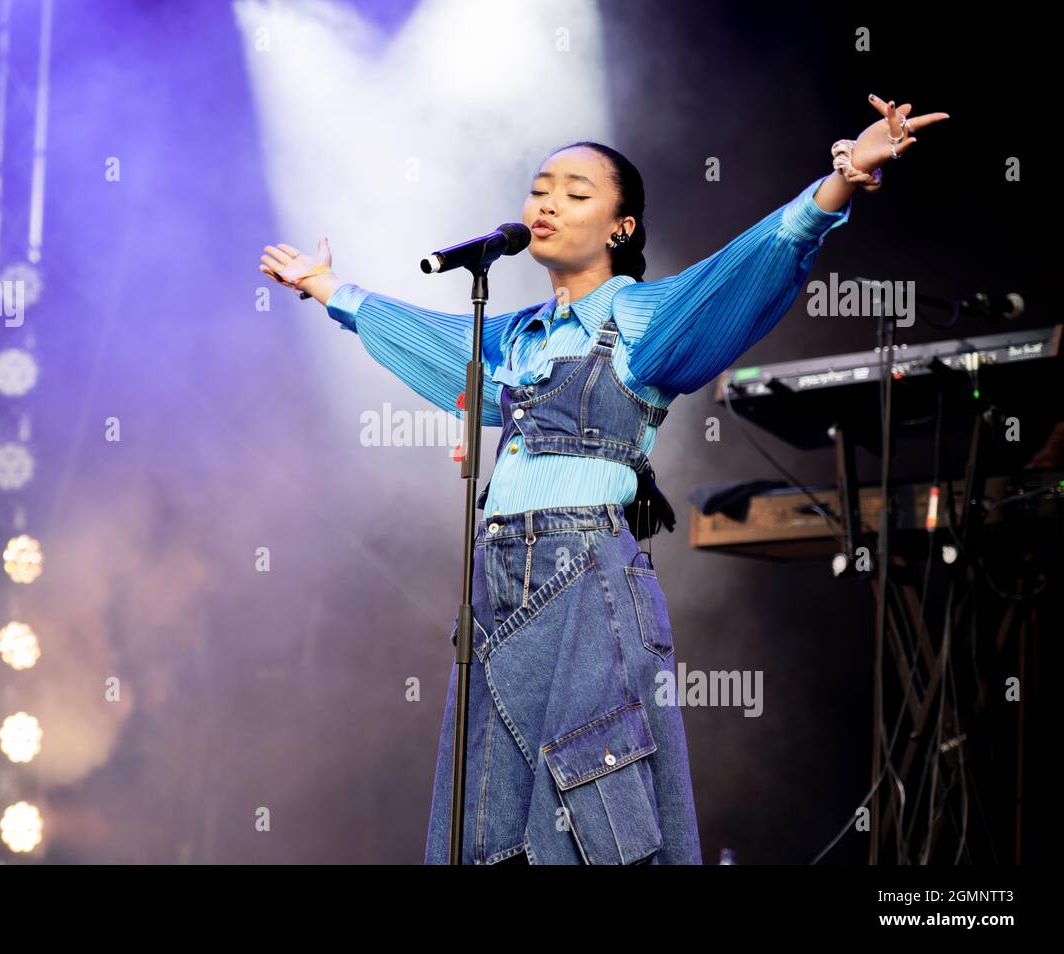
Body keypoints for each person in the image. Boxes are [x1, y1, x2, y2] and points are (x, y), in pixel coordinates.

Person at [260, 95, 948, 864]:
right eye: (540, 188)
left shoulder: (643, 318)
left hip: (584, 580)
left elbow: (746, 266)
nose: (548, 202)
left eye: (576, 193)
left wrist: (842, 180)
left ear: (622, 228)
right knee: (487, 820)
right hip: (496, 586)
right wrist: (331, 291)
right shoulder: (514, 335)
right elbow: (436, 338)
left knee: (590, 801)